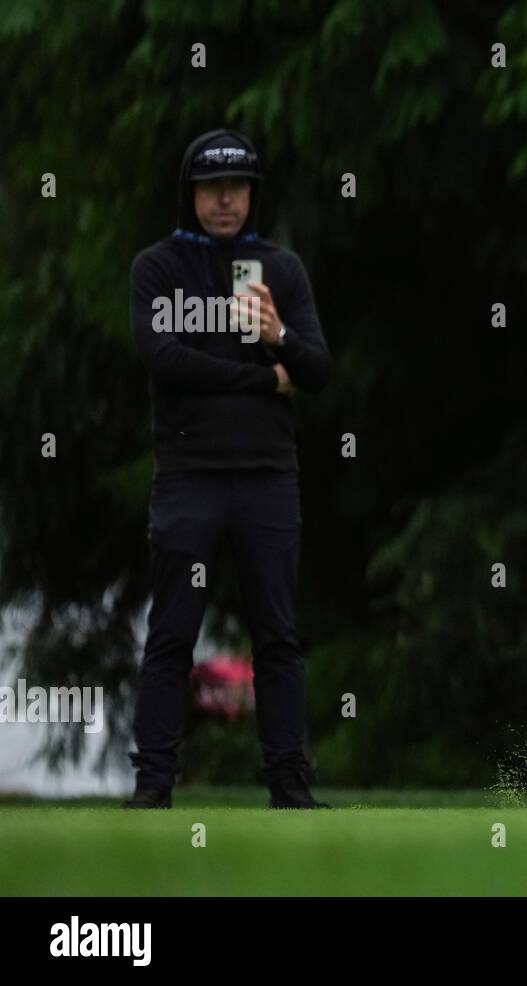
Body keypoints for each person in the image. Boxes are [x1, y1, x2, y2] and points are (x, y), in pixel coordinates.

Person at [123, 129, 332, 808]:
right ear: (191, 194)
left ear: (251, 194)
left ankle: (290, 788)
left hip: (268, 476)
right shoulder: (157, 268)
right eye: (212, 189)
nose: (225, 201)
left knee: (279, 635)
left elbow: (317, 370)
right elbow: (166, 360)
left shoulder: (282, 269)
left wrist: (278, 340)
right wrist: (261, 379)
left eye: (237, 188)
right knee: (172, 635)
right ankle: (153, 786)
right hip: (190, 476)